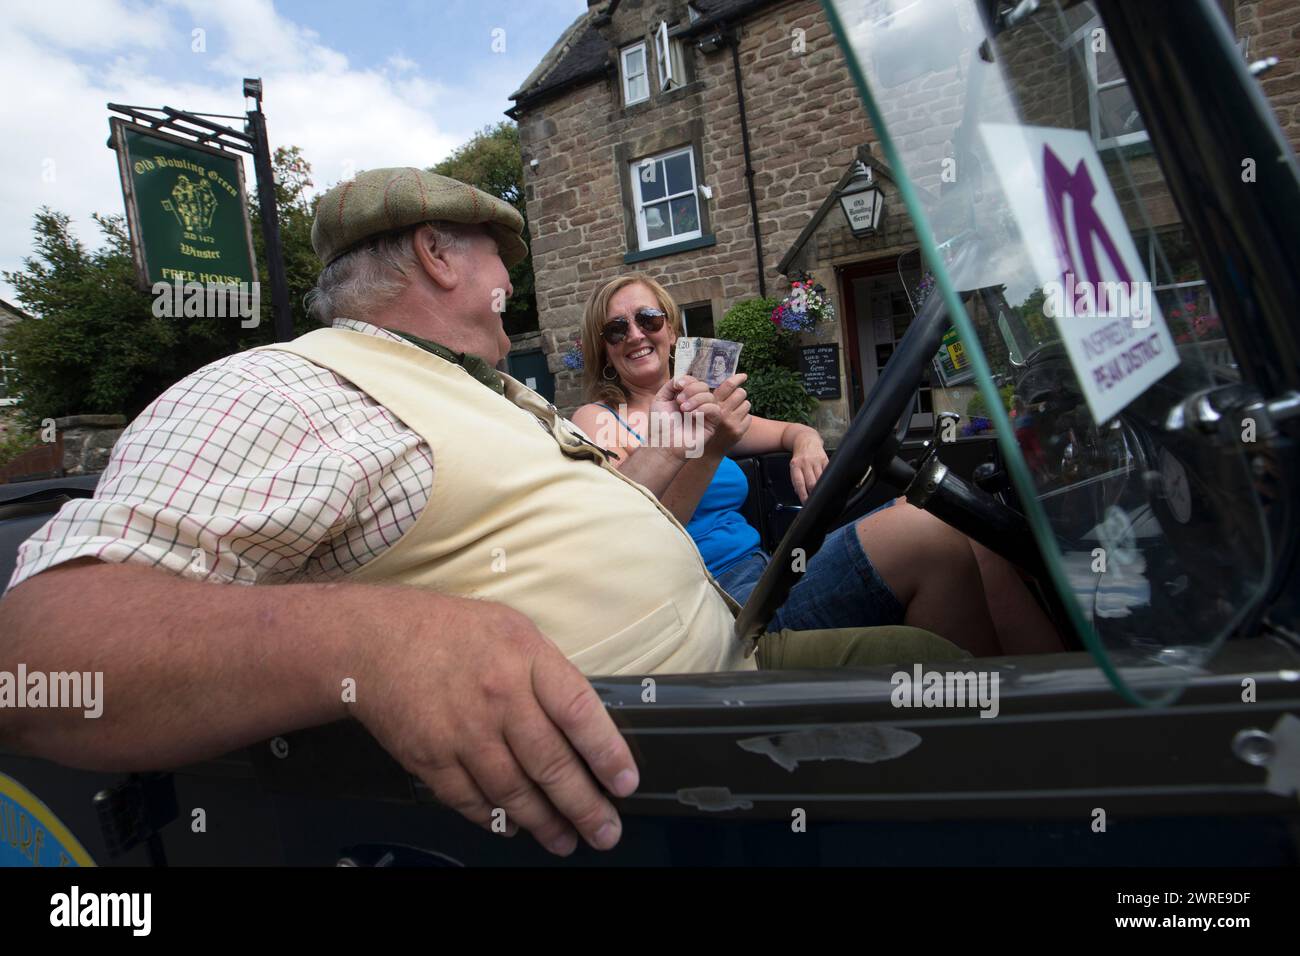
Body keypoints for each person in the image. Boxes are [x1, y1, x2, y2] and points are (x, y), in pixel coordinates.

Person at [0, 167, 965, 862]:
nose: (517, 288)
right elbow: (34, 655)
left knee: (968, 653)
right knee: (968, 695)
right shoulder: (298, 387)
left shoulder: (498, 397)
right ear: (436, 253)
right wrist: (374, 642)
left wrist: (702, 448)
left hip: (730, 670)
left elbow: (624, 520)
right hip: (664, 770)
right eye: (502, 261)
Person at [571, 274, 1063, 651]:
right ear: (605, 350)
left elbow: (788, 430)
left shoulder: (697, 400)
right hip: (721, 607)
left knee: (970, 526)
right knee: (928, 534)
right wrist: (710, 448)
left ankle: (1062, 700)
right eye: (617, 329)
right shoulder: (598, 420)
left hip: (766, 570)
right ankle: (993, 728)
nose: (635, 334)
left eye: (648, 319)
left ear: (672, 329)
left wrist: (807, 441)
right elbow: (637, 538)